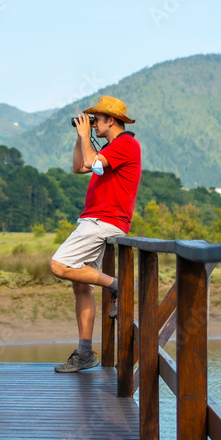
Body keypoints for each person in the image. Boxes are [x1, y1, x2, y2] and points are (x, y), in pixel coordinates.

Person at [50, 95, 141, 373]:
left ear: (110, 120)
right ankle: (86, 352)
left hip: (103, 220)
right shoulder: (111, 148)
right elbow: (80, 167)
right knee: (82, 285)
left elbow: (93, 163)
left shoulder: (126, 143)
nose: (93, 124)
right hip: (95, 219)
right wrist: (83, 137)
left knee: (59, 265)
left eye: (96, 120)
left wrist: (84, 135)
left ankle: (117, 284)